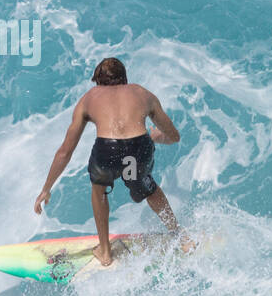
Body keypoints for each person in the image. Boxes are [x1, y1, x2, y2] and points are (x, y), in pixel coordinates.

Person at [34, 57, 183, 266]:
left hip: (108, 152)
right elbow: (173, 136)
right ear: (125, 78)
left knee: (99, 188)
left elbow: (65, 151)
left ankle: (105, 251)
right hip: (136, 150)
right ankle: (179, 237)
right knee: (148, 188)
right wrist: (154, 136)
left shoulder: (89, 98)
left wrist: (46, 188)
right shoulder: (142, 93)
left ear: (98, 82)